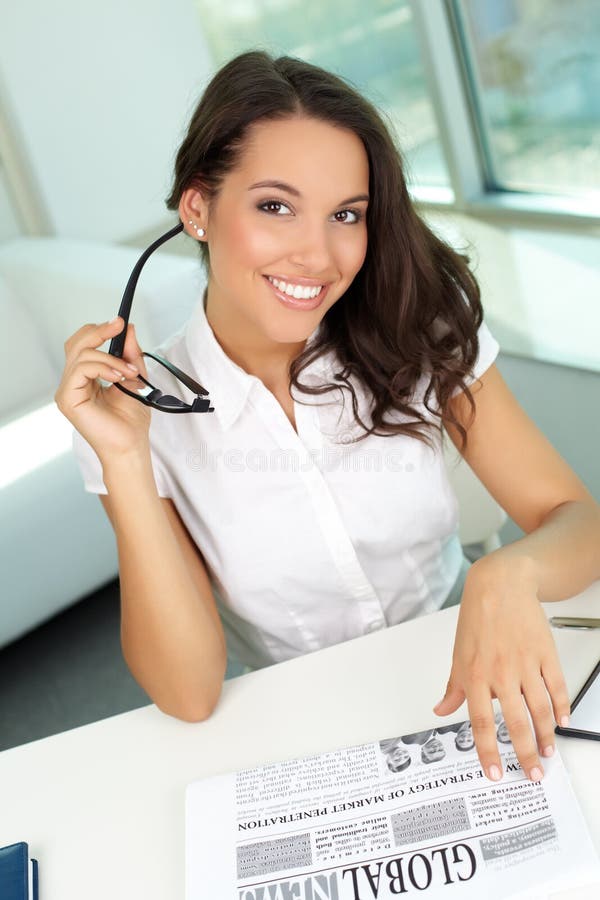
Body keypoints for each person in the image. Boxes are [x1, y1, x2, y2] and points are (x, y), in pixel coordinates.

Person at [55, 51, 600, 788]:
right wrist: (124, 458)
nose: (317, 255)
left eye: (346, 215)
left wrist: (510, 572)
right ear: (197, 210)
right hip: (304, 720)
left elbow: (579, 522)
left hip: (467, 663)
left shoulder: (416, 326)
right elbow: (187, 694)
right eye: (275, 207)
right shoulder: (140, 407)